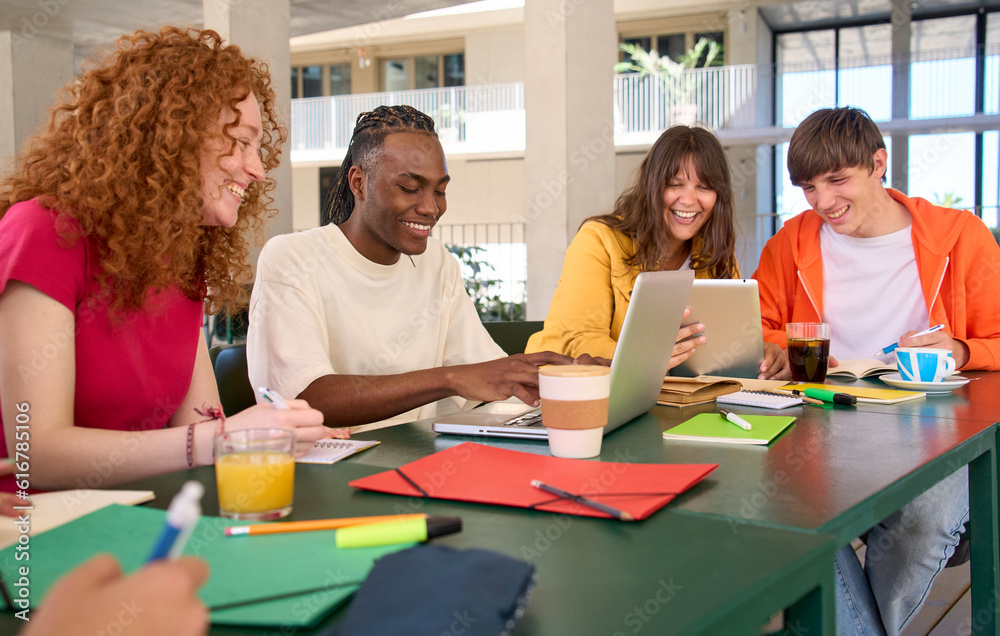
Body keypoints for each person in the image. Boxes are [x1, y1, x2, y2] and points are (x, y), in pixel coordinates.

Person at [0, 27, 331, 492]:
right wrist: (219, 438)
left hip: (138, 514)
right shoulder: (41, 232)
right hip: (37, 537)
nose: (257, 169)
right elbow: (36, 456)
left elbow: (202, 423)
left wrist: (281, 436)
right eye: (239, 141)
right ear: (169, 136)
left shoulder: (179, 256)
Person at [753, 106, 1000, 635]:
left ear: (878, 163)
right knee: (792, 503)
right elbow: (760, 325)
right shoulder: (788, 246)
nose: (823, 202)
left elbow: (997, 336)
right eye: (808, 188)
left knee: (926, 520)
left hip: (934, 426)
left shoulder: (960, 237)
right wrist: (777, 346)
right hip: (819, 417)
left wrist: (958, 347)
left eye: (837, 180)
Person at [247, 105, 589, 432]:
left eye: (439, 190)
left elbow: (486, 378)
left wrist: (572, 380)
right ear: (358, 183)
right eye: (409, 188)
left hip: (414, 463)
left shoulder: (438, 264)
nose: (431, 208)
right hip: (321, 474)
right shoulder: (291, 258)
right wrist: (448, 378)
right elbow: (306, 398)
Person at [526, 125, 788, 379]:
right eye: (675, 184)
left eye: (704, 187)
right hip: (567, 394)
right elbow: (578, 342)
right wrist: (648, 357)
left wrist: (758, 354)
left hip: (670, 398)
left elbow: (727, 343)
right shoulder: (598, 240)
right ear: (652, 186)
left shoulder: (717, 255)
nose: (688, 200)